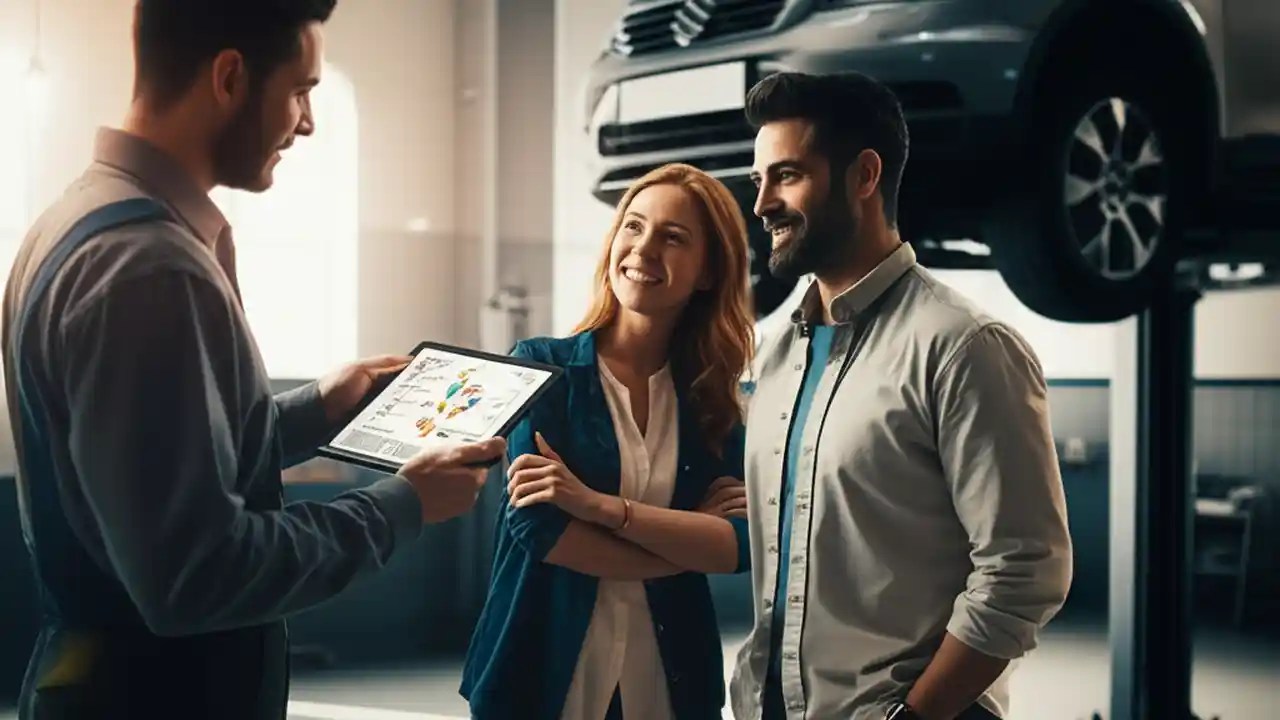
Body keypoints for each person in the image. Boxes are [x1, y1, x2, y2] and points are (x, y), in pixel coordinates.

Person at [1, 1, 504, 718]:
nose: (307, 123)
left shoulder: (78, 217)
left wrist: (318, 410)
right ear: (230, 77)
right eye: (301, 90)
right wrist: (401, 505)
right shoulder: (151, 269)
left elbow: (148, 470)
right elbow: (196, 574)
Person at [728, 72, 1074, 720]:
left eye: (787, 176)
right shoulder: (773, 354)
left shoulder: (965, 347)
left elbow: (1025, 570)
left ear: (864, 176)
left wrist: (912, 716)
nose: (762, 205)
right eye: (759, 181)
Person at [460, 163, 756, 720]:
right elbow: (540, 529)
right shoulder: (541, 366)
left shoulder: (713, 400)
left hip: (671, 682)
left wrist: (598, 508)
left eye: (673, 238)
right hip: (537, 673)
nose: (643, 250)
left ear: (709, 272)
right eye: (634, 226)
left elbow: (738, 545)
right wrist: (681, 543)